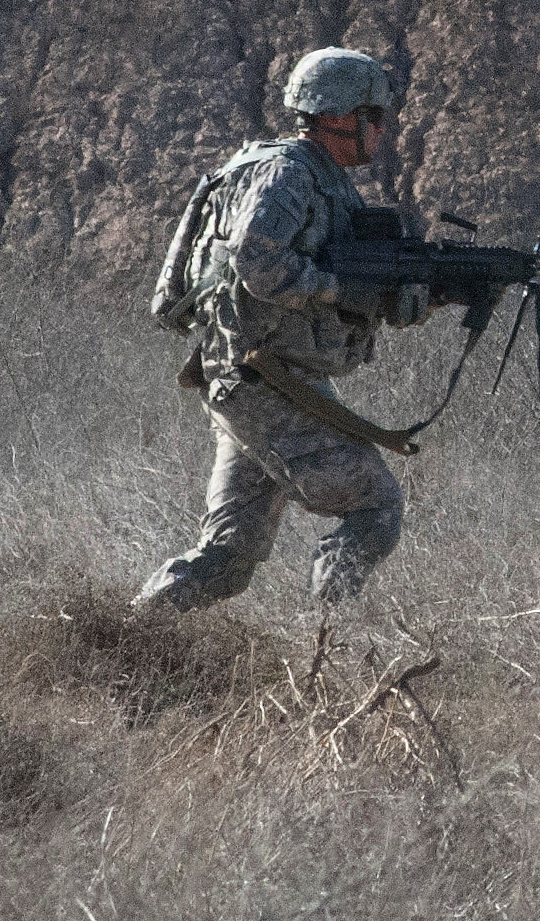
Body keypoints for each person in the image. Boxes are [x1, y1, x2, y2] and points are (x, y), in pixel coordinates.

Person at [137, 47, 437, 611]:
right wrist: (337, 289)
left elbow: (335, 281)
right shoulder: (291, 175)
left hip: (253, 379)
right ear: (339, 116)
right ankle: (324, 644)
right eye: (374, 117)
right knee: (376, 508)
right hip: (265, 380)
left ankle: (124, 635)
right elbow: (257, 261)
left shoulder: (311, 177)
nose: (381, 130)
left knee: (227, 560)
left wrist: (410, 295)